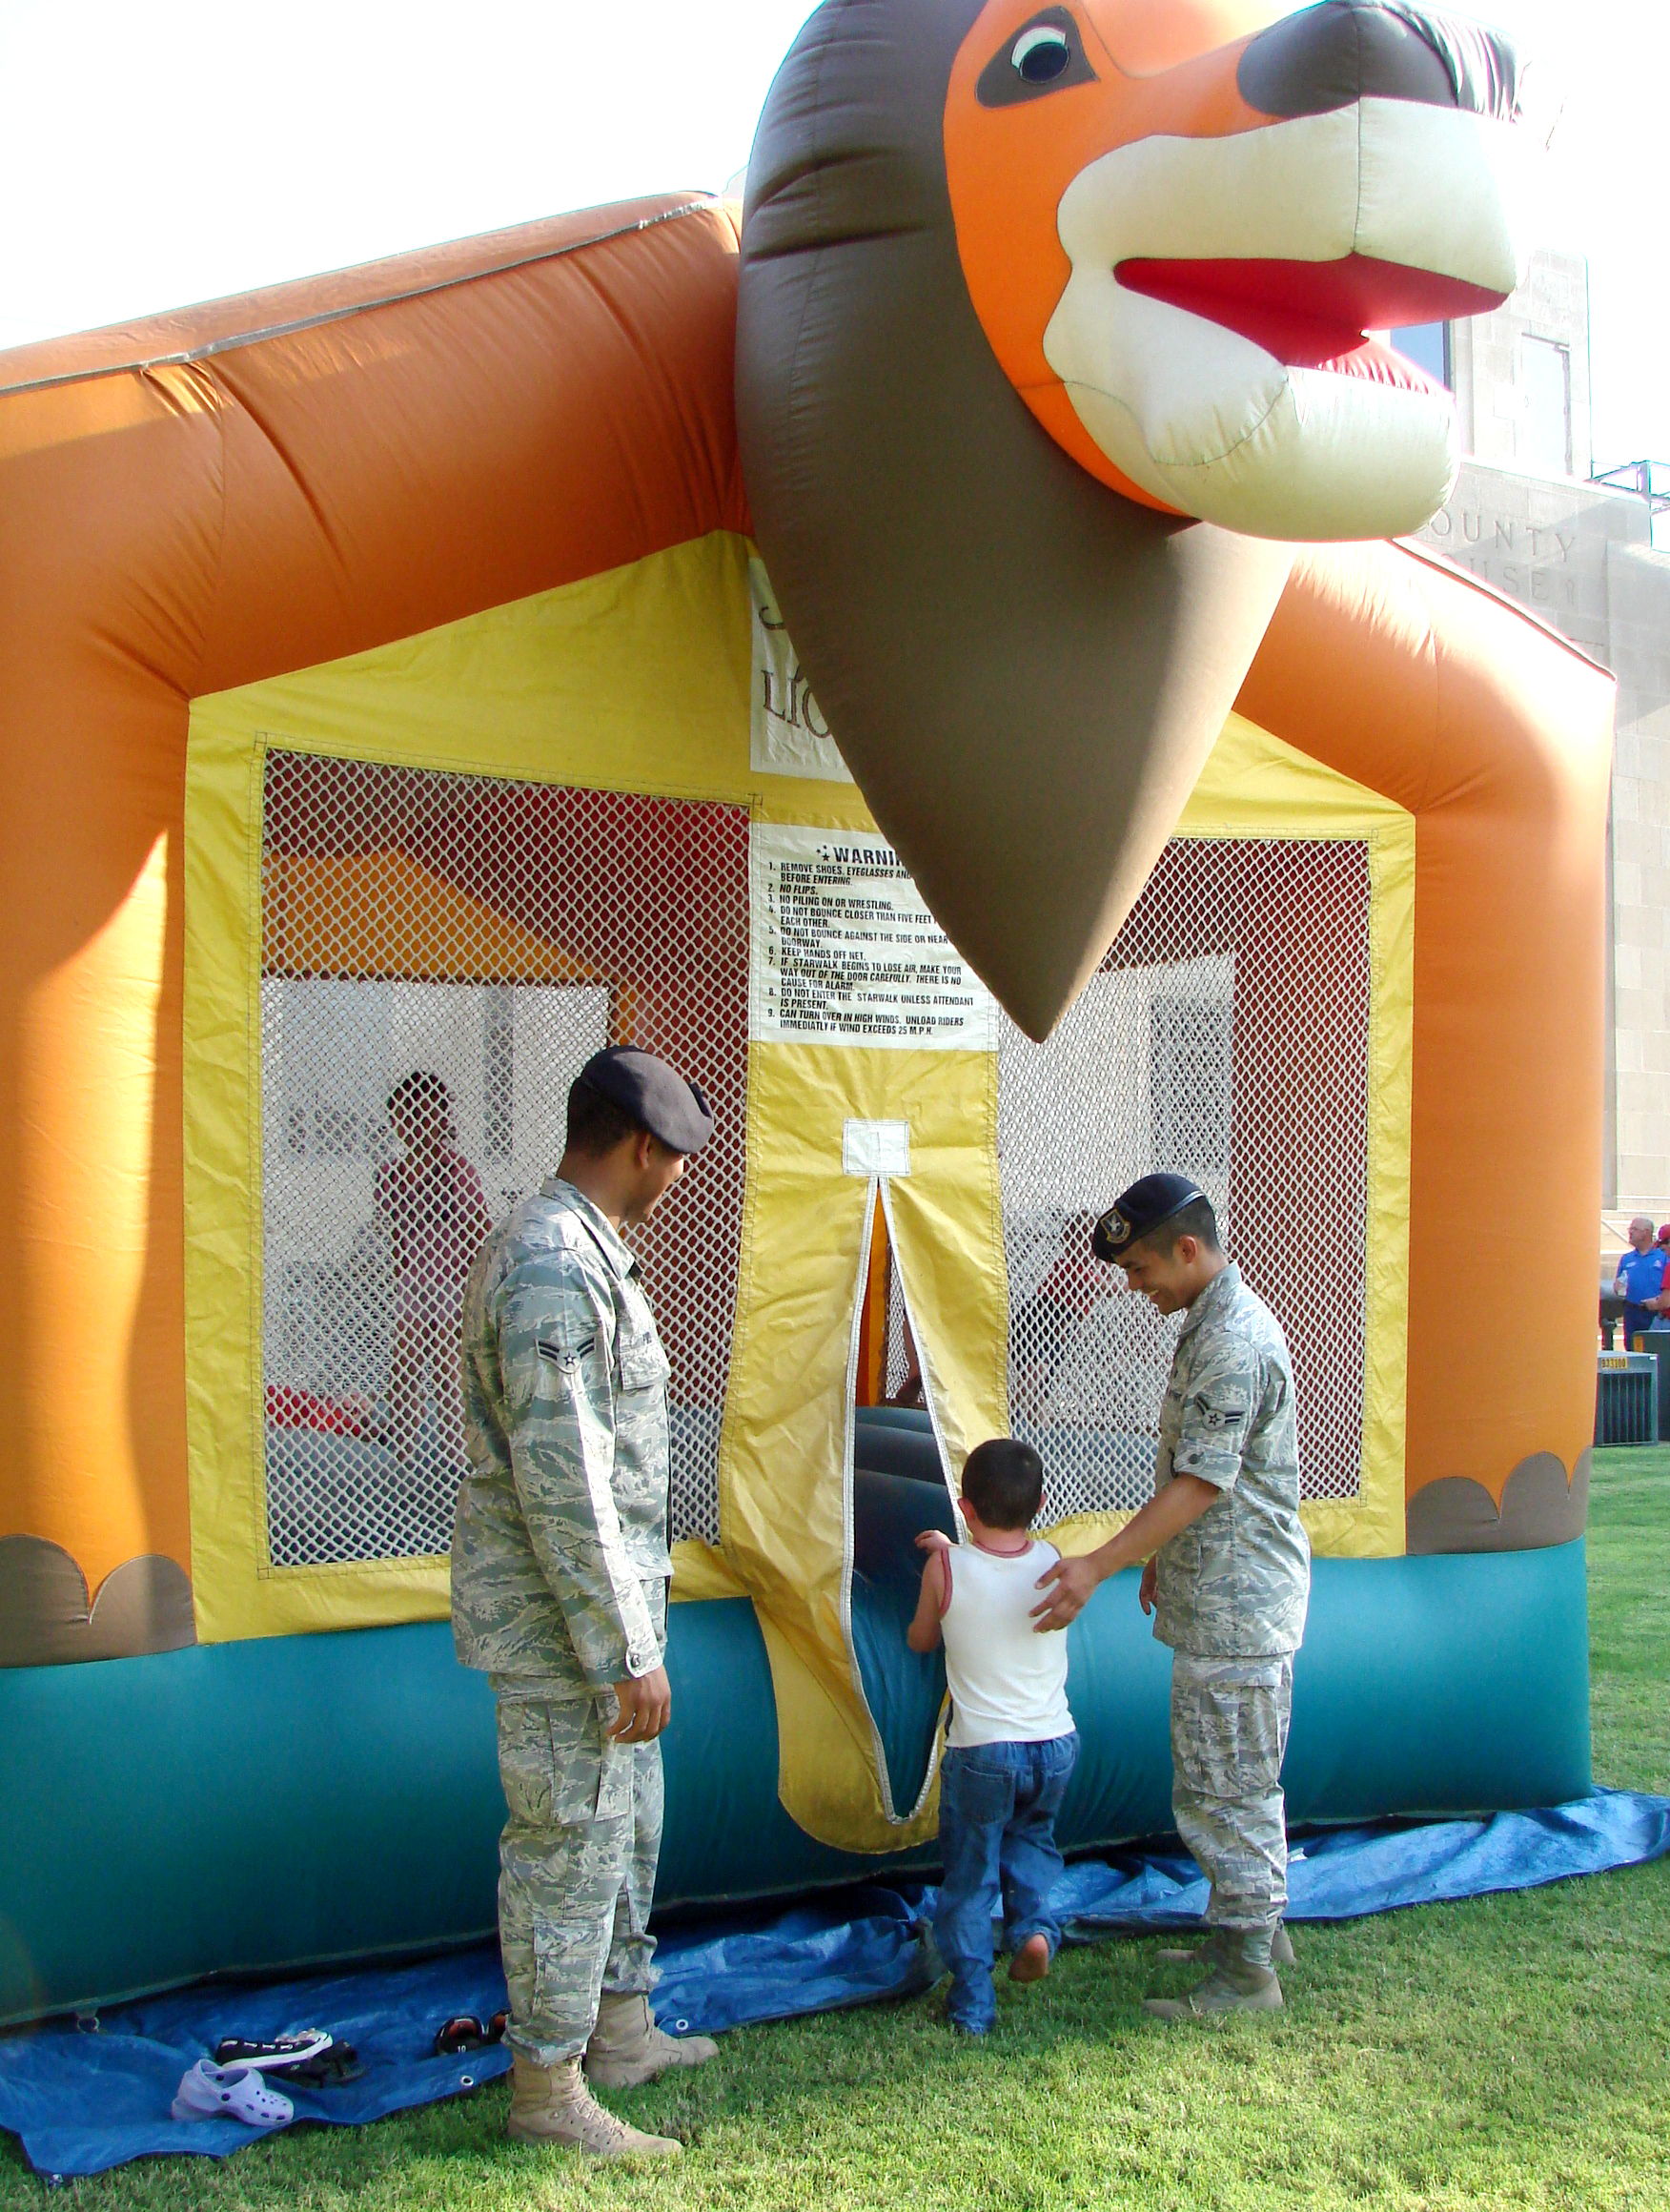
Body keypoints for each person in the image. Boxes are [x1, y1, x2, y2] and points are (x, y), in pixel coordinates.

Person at [451, 1046, 721, 2158]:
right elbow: (565, 1480)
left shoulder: (597, 1254)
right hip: (569, 1632)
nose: (681, 1179)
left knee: (623, 1833)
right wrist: (623, 1650)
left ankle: (619, 2029)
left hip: (605, 1622)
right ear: (642, 1146)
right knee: (568, 1845)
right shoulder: (556, 1264)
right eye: (678, 1158)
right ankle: (548, 2092)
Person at [1031, 1173, 1311, 2018]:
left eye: (1142, 1268)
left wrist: (1100, 1563)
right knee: (1238, 1774)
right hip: (1221, 1590)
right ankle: (1259, 1931)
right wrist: (1161, 1558)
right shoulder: (1207, 1322)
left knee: (1225, 1787)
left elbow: (1202, 1483)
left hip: (1239, 1606)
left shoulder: (1231, 1340)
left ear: (1188, 1250)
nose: (1134, 1286)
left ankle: (1244, 1973)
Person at [906, 1437, 1078, 2035]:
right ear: (1041, 1503)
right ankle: (1033, 1930)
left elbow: (923, 1640)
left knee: (971, 1874)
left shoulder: (945, 1568)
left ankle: (973, 2003)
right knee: (1032, 1843)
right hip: (1055, 1743)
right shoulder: (1053, 1557)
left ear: (964, 1505)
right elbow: (1002, 1567)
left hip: (982, 1750)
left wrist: (942, 1560)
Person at [375, 1071, 494, 1466]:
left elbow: (478, 1226)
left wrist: (471, 1280)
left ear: (442, 1119)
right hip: (414, 1281)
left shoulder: (456, 1171)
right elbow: (396, 1232)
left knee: (447, 1366)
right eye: (407, 1117)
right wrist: (400, 1272)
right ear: (397, 1121)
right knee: (404, 1363)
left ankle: (453, 1456)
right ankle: (404, 1452)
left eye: (426, 1116)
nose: (416, 1127)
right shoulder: (393, 1175)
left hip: (450, 1281)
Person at [1612, 1216, 1667, 1346]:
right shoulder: (1627, 1259)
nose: (1630, 1233)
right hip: (1632, 1311)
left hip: (1655, 1313)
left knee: (1656, 1349)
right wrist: (1617, 1287)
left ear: (1646, 1232)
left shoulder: (1663, 1256)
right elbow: (1619, 1284)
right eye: (1630, 1229)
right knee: (1632, 1348)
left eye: (1634, 1229)